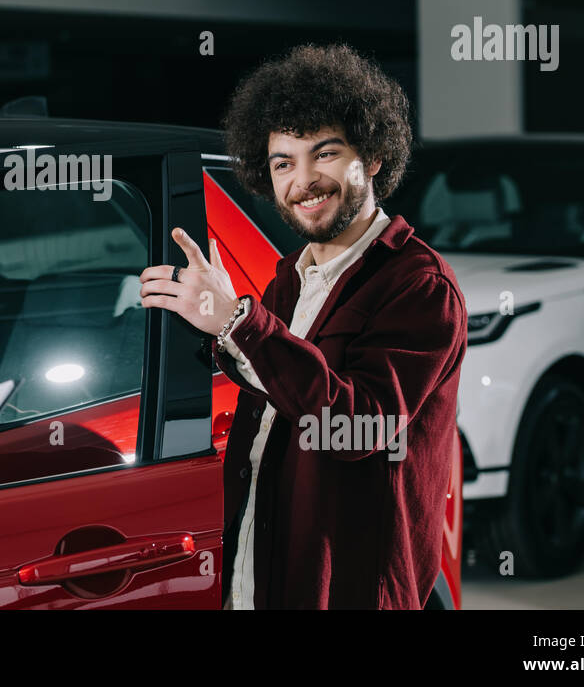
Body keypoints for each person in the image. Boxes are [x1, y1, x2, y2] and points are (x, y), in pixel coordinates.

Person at [139, 44, 466, 608]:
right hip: (264, 577)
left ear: (375, 156)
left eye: (326, 154)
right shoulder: (290, 278)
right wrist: (220, 328)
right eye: (283, 162)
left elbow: (357, 428)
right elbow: (284, 394)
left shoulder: (418, 286)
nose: (304, 180)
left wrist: (238, 321)